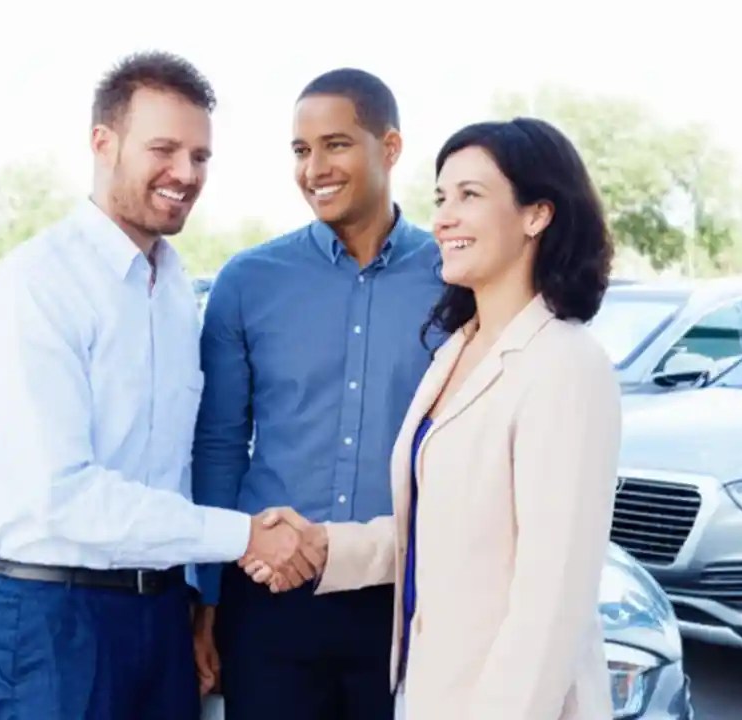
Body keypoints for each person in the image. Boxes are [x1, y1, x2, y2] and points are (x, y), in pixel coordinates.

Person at [0, 50, 308, 720]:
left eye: (201, 156)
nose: (185, 173)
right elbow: (61, 495)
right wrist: (245, 537)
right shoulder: (36, 285)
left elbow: (176, 467)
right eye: (164, 148)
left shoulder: (174, 289)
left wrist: (192, 599)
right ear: (103, 142)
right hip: (51, 623)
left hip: (158, 614)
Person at [245, 118, 623, 719]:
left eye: (470, 196)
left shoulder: (565, 366)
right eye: (441, 197)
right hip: (428, 693)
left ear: (537, 215)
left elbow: (551, 605)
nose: (444, 217)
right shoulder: (456, 350)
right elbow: (446, 532)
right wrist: (326, 545)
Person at [191, 68, 445, 719]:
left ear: (389, 148)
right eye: (301, 151)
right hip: (269, 599)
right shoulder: (247, 282)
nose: (314, 168)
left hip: (405, 596)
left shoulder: (454, 279)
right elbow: (220, 444)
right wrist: (207, 597)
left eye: (335, 144)